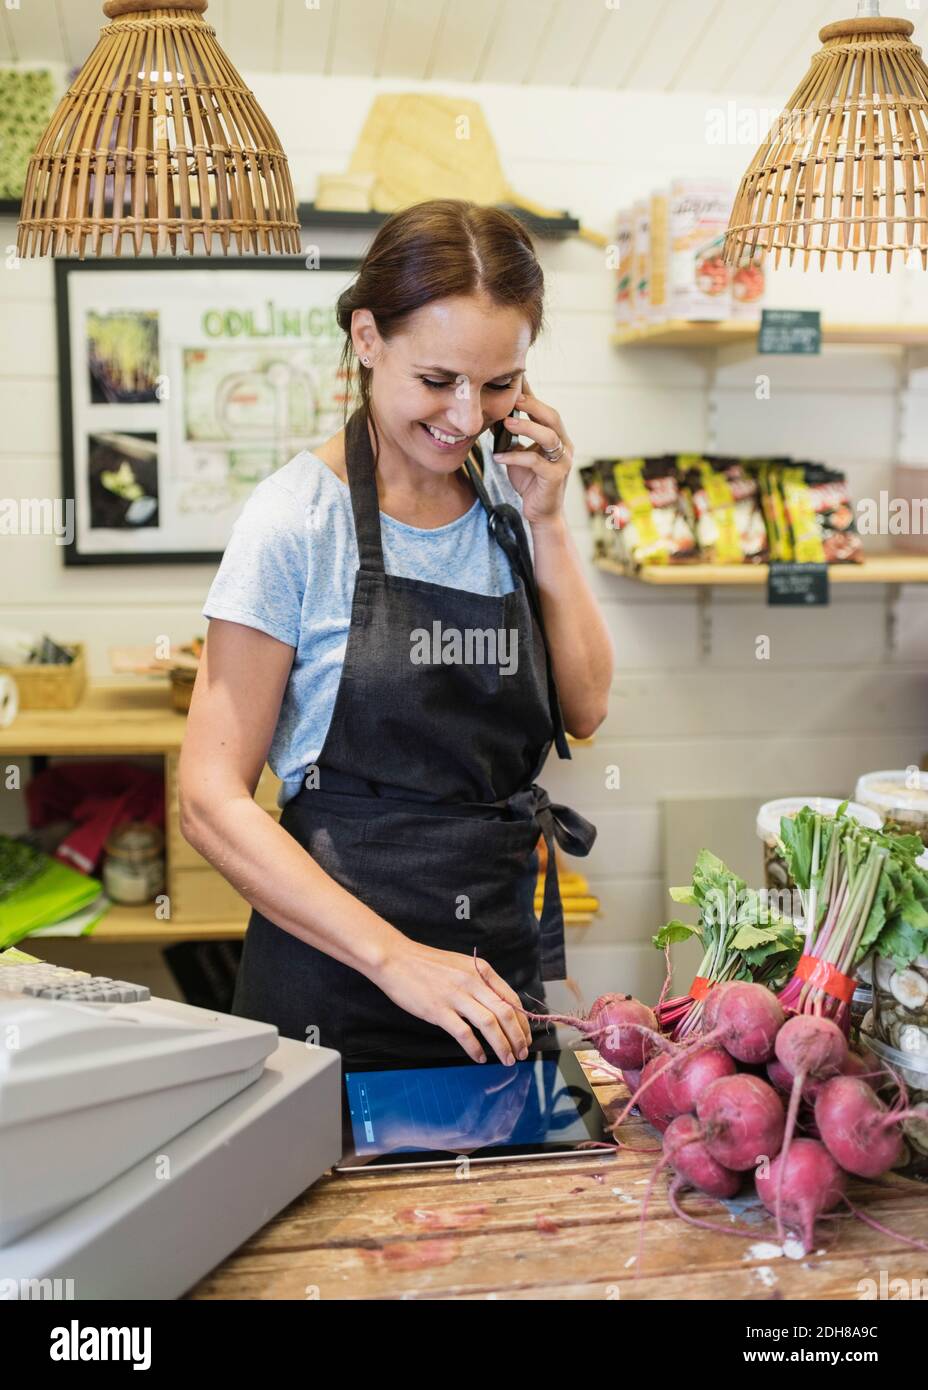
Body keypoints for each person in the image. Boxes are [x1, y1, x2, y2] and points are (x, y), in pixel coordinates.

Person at [178, 199, 614, 1069]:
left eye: (499, 385)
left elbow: (588, 705)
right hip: (332, 994)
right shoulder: (297, 519)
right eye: (438, 379)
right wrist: (399, 960)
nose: (466, 417)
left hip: (493, 979)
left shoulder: (506, 505)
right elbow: (208, 799)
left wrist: (551, 524)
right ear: (369, 338)